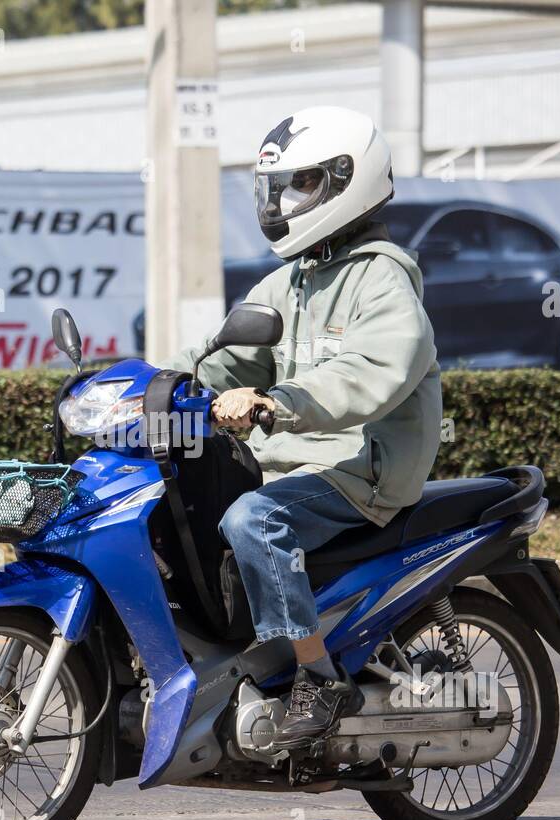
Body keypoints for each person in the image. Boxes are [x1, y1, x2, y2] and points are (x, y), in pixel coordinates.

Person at [171, 106, 442, 751]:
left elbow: (371, 372)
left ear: (349, 179)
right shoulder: (290, 282)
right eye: (277, 188)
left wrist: (273, 403)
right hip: (293, 465)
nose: (282, 203)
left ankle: (317, 678)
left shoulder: (383, 280)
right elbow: (219, 358)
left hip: (360, 468)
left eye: (301, 183)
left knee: (252, 520)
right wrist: (149, 386)